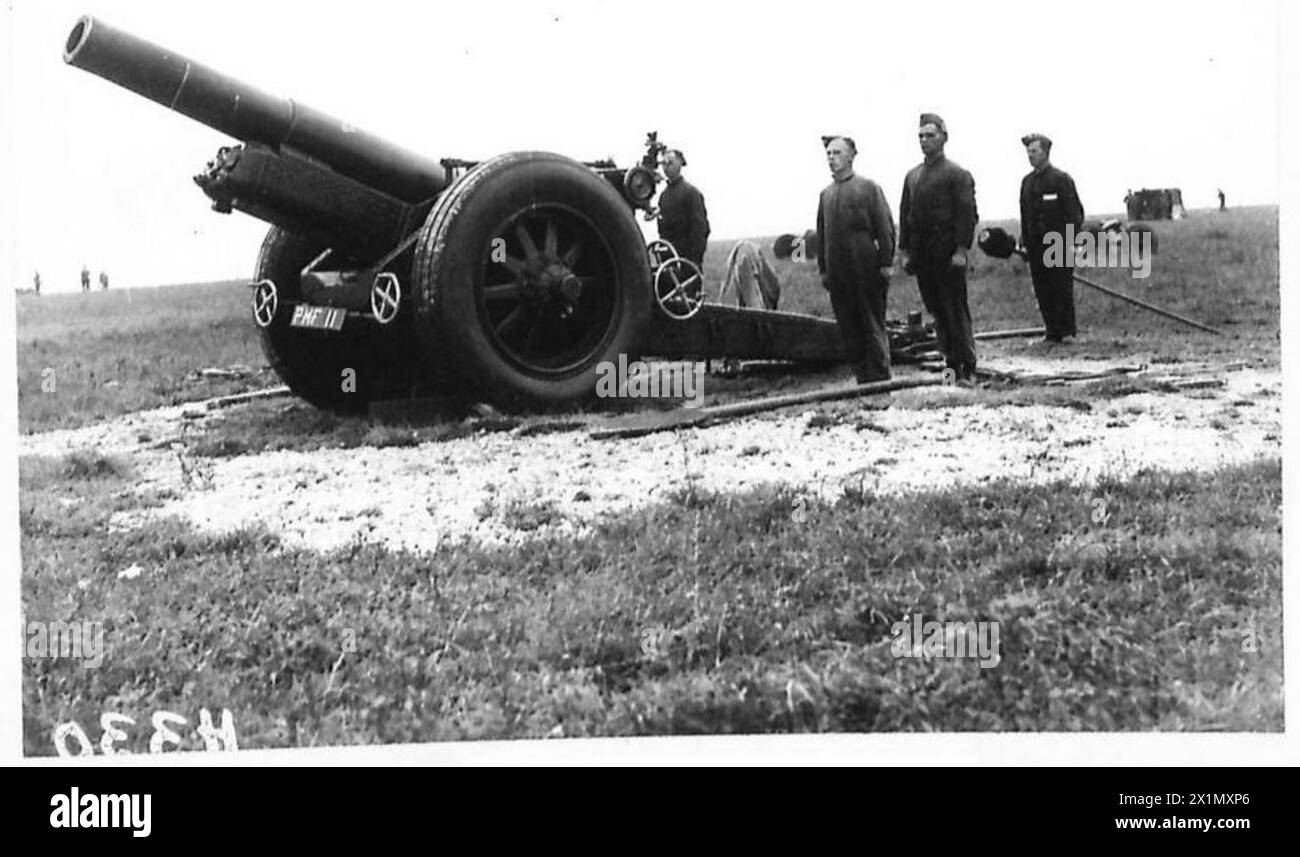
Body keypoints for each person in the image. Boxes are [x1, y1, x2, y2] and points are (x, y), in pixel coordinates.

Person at [899, 113, 978, 381]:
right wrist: (906, 251)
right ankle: (949, 365)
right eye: (920, 136)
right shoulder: (912, 176)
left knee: (954, 309)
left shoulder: (957, 174)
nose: (924, 141)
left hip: (947, 256)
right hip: (924, 258)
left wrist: (960, 250)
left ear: (944, 137)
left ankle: (966, 366)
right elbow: (905, 216)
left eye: (930, 135)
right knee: (936, 312)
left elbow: (967, 215)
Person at [816, 135, 896, 384]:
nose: (831, 158)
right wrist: (824, 270)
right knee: (848, 327)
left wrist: (885, 262)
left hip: (865, 268)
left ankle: (880, 380)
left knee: (871, 324)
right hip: (838, 273)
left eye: (837, 153)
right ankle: (862, 379)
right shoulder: (826, 195)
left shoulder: (868, 188)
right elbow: (821, 236)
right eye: (828, 153)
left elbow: (885, 229)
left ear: (851, 156)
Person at [1019, 132, 1084, 343]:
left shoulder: (1061, 180)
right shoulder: (1027, 183)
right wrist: (1025, 242)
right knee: (1042, 290)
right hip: (1036, 248)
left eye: (1034, 151)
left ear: (1045, 153)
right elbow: (1025, 216)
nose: (1030, 155)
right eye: (1028, 152)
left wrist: (1070, 244)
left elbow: (1075, 214)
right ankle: (1051, 332)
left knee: (1061, 289)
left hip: (1059, 246)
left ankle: (1067, 333)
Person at [656, 149, 710, 268]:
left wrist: (695, 259)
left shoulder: (692, 193)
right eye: (663, 164)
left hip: (688, 260)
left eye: (670, 163)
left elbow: (700, 229)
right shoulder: (663, 197)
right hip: (668, 260)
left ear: (679, 164)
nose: (666, 168)